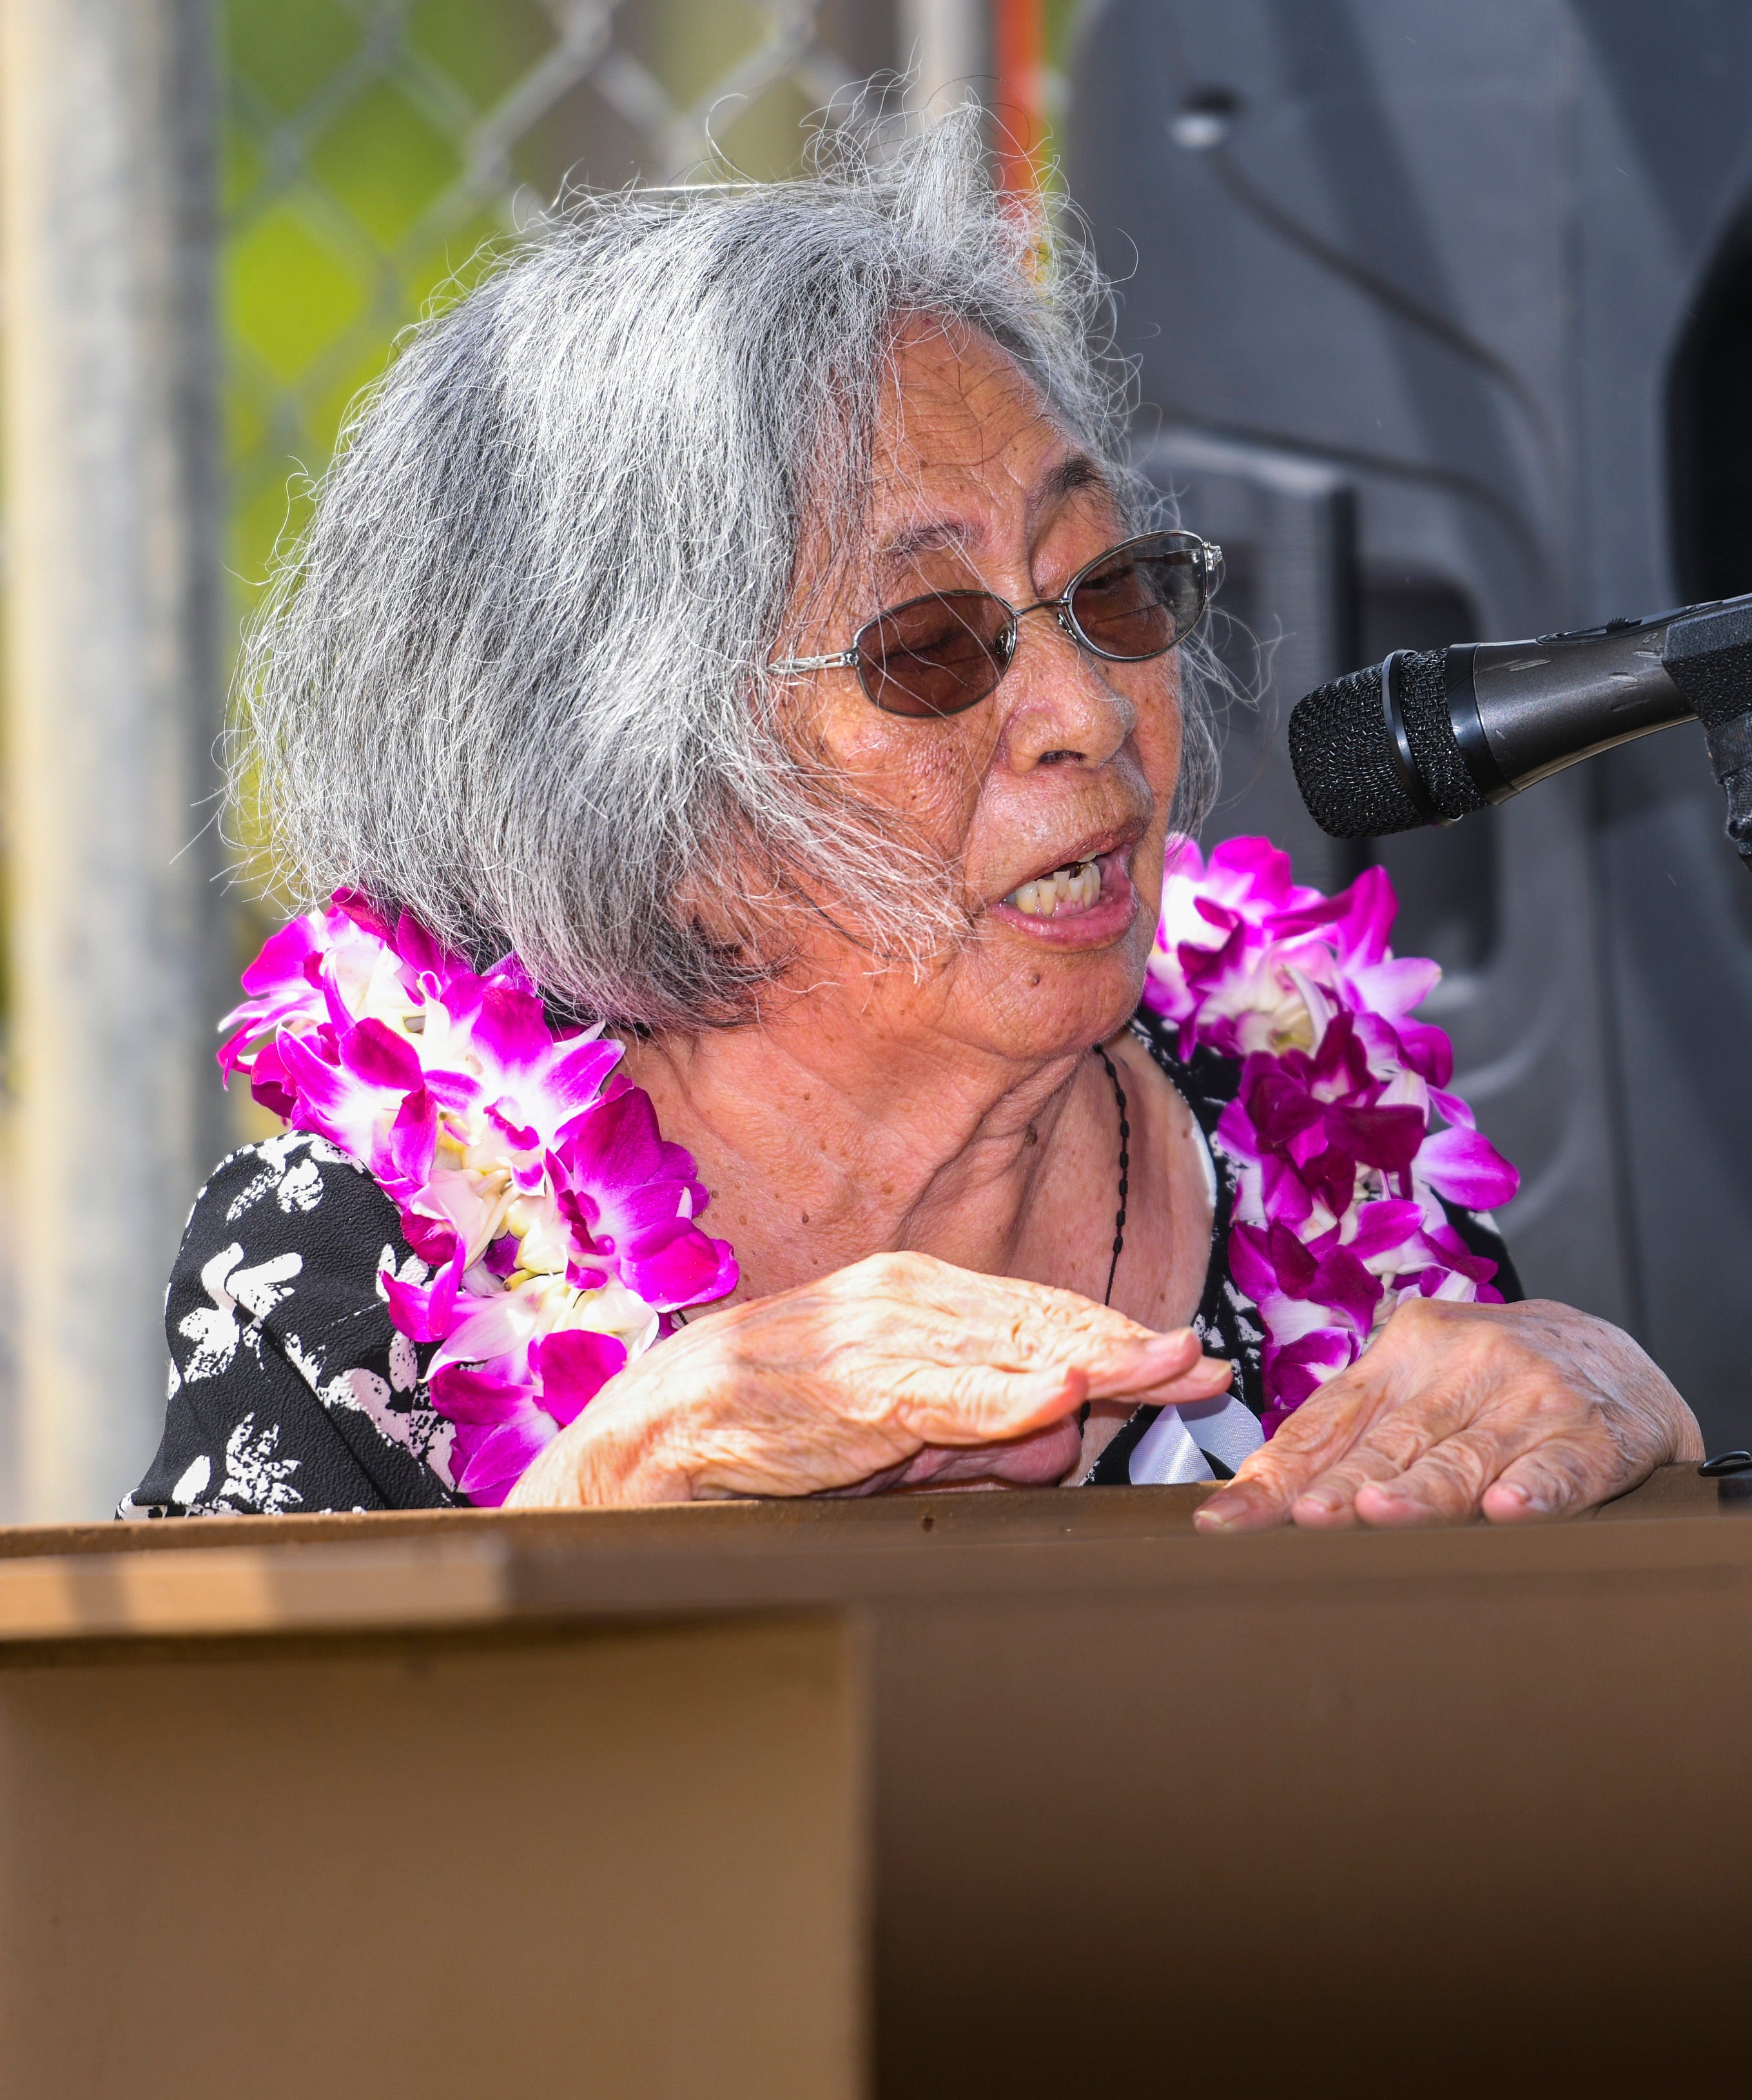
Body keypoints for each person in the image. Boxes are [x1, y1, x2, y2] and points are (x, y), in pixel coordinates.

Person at [124, 112, 1700, 1529]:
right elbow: (215, 1826)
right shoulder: (381, 1264)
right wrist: (608, 1501)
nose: (1090, 712)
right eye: (929, 649)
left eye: (1105, 587)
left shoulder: (1318, 1139)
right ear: (644, 789)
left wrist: (1636, 1473)